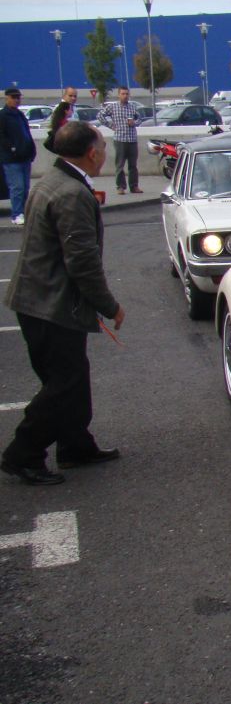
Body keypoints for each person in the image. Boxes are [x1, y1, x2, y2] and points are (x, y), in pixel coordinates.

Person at [1, 122, 124, 486]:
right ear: (91, 152)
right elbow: (82, 262)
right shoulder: (71, 194)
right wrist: (109, 305)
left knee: (71, 378)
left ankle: (75, 445)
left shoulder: (52, 182)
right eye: (103, 145)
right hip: (50, 305)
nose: (105, 151)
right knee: (64, 384)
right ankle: (22, 453)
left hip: (38, 300)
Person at [0, 87, 36, 226]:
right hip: (11, 159)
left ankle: (24, 211)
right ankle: (16, 214)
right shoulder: (3, 116)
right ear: (7, 98)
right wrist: (12, 148)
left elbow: (26, 133)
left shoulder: (20, 115)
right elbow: (1, 136)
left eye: (18, 97)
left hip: (25, 157)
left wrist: (32, 149)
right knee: (17, 187)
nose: (16, 100)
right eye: (13, 97)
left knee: (25, 187)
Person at [98, 86, 141, 194]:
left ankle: (134, 186)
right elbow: (100, 115)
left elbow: (140, 118)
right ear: (118, 95)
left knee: (133, 165)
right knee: (120, 165)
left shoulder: (132, 107)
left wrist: (134, 123)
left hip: (132, 139)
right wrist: (110, 125)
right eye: (123, 94)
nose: (125, 96)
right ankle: (120, 186)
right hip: (120, 139)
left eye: (127, 94)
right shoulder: (113, 107)